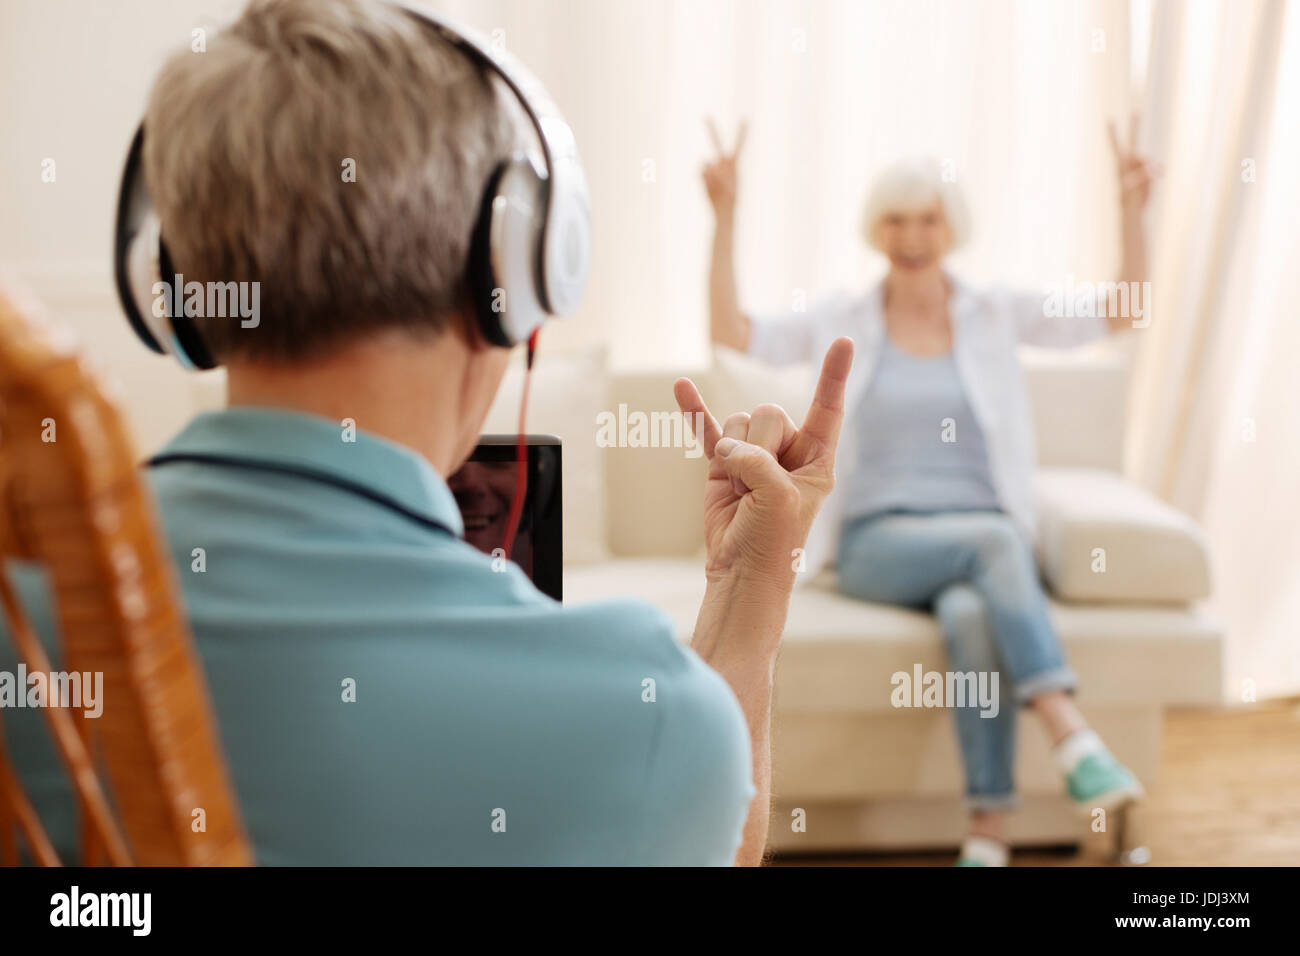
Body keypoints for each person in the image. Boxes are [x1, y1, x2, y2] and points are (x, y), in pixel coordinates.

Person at [0, 0, 853, 866]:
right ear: (513, 275)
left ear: (182, 285)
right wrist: (750, 600)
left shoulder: (17, 606)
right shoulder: (642, 715)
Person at [702, 117, 1155, 866]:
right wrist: (725, 219)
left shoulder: (994, 311)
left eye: (928, 219)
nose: (912, 235)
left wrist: (1131, 208)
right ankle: (1071, 732)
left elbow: (1122, 310)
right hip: (881, 543)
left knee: (973, 610)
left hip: (978, 545)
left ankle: (987, 836)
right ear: (876, 230)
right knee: (995, 543)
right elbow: (734, 332)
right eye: (897, 220)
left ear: (952, 227)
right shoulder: (844, 317)